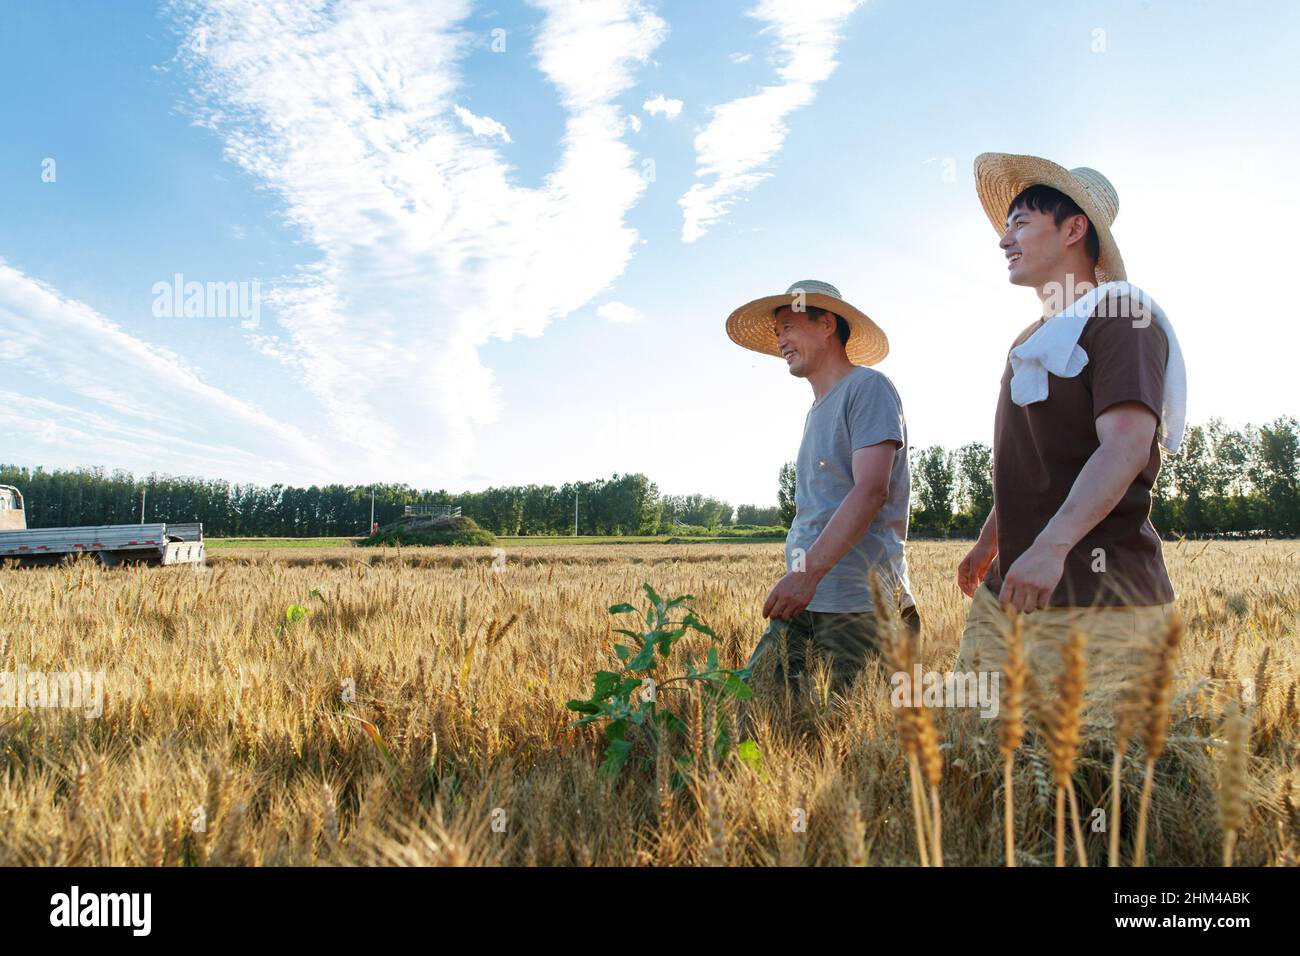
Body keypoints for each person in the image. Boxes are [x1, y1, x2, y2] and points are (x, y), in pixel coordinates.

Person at [956, 153, 1187, 703]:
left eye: (1021, 223)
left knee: (1089, 778)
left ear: (1074, 229)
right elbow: (1037, 459)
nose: (1003, 240)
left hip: (1097, 598)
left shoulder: (1122, 318)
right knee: (970, 747)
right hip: (1012, 586)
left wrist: (1051, 546)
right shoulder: (1027, 340)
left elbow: (1127, 445)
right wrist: (992, 540)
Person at [725, 279, 919, 695]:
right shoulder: (817, 409)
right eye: (777, 333)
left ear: (827, 324)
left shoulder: (868, 388)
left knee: (845, 734)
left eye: (789, 327)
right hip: (806, 601)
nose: (781, 342)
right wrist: (800, 579)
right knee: (753, 711)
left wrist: (805, 575)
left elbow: (871, 490)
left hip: (856, 608)